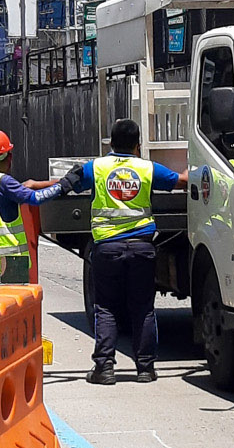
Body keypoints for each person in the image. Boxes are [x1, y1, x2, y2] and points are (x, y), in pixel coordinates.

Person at [54, 119, 184, 384]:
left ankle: (105, 368)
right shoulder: (147, 168)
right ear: (138, 145)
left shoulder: (97, 167)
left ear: (111, 144)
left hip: (107, 249)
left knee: (106, 308)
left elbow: (67, 184)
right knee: (143, 309)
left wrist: (37, 189)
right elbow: (179, 182)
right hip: (142, 248)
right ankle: (145, 368)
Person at [0, 128, 59, 286]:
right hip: (9, 264)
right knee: (12, 309)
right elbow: (35, 198)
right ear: (9, 157)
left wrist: (35, 184)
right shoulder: (4, 182)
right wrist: (64, 185)